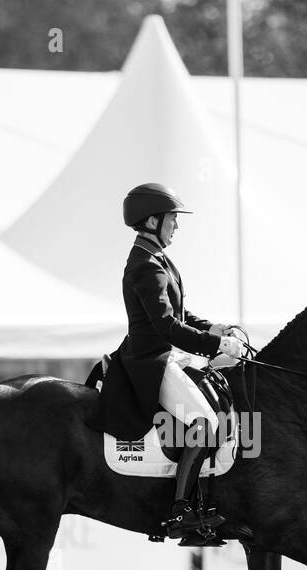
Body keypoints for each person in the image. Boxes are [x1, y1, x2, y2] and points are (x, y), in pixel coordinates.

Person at [97, 184, 246, 544]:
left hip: (167, 357)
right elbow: (167, 327)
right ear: (152, 220)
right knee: (204, 420)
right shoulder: (146, 265)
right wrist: (218, 344)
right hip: (152, 362)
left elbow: (179, 314)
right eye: (172, 219)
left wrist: (213, 327)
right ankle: (180, 510)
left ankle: (199, 503)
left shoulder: (156, 258)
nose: (176, 226)